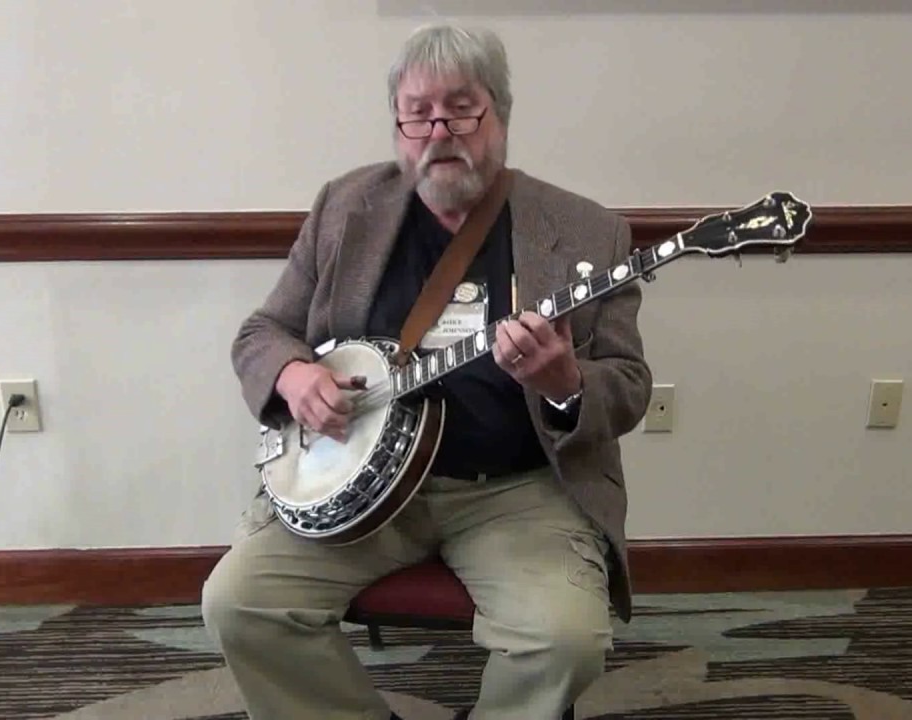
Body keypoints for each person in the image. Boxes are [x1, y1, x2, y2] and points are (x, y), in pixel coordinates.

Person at [201, 22, 651, 720]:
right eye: (417, 112)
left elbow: (625, 384)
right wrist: (294, 377)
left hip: (516, 489)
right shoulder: (346, 208)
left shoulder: (587, 233)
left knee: (564, 641)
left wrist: (565, 383)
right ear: (398, 126)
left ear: (499, 115)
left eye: (462, 107)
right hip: (363, 486)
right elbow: (264, 332)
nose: (439, 130)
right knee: (238, 603)